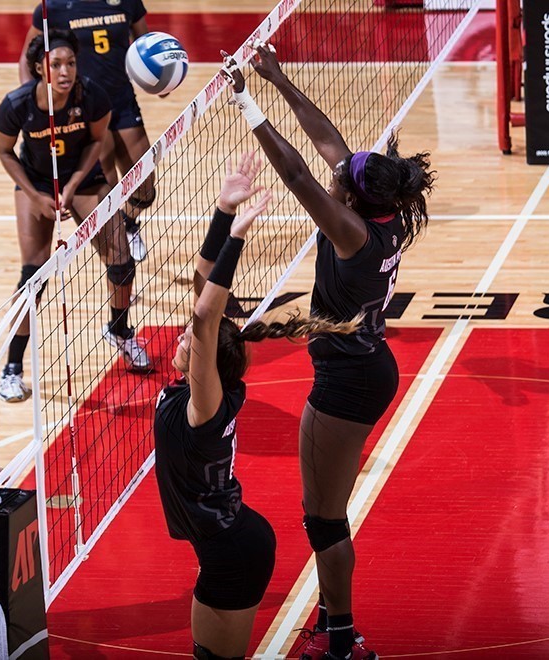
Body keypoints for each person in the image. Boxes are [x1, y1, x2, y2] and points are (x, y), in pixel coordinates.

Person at [222, 43, 435, 660]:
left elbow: (297, 175)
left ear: (352, 195)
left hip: (349, 380)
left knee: (323, 518)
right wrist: (279, 79)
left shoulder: (351, 233)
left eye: (347, 173)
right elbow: (331, 146)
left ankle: (341, 638)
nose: (340, 167)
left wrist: (245, 100)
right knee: (326, 515)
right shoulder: (378, 210)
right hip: (365, 365)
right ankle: (337, 624)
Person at [154, 153, 362, 659]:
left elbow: (205, 315)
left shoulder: (204, 409)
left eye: (191, 336)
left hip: (233, 553)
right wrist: (224, 210)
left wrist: (239, 237)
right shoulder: (217, 386)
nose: (182, 333)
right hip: (229, 543)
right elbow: (205, 298)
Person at [0, 28, 152, 404]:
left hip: (84, 179)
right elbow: (4, 151)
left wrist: (72, 187)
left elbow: (98, 142)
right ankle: (12, 367)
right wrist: (36, 196)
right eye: (56, 64)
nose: (65, 71)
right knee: (33, 275)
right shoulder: (17, 104)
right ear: (39, 68)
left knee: (120, 256)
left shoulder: (91, 95)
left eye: (70, 63)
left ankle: (119, 330)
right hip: (35, 180)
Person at [18, 0, 156, 264]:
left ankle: (128, 222)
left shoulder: (126, 2)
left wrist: (159, 78)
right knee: (108, 188)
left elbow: (145, 44)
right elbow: (27, 59)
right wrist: (31, 100)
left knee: (145, 187)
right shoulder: (53, 7)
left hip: (123, 103)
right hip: (85, 109)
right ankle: (120, 264)